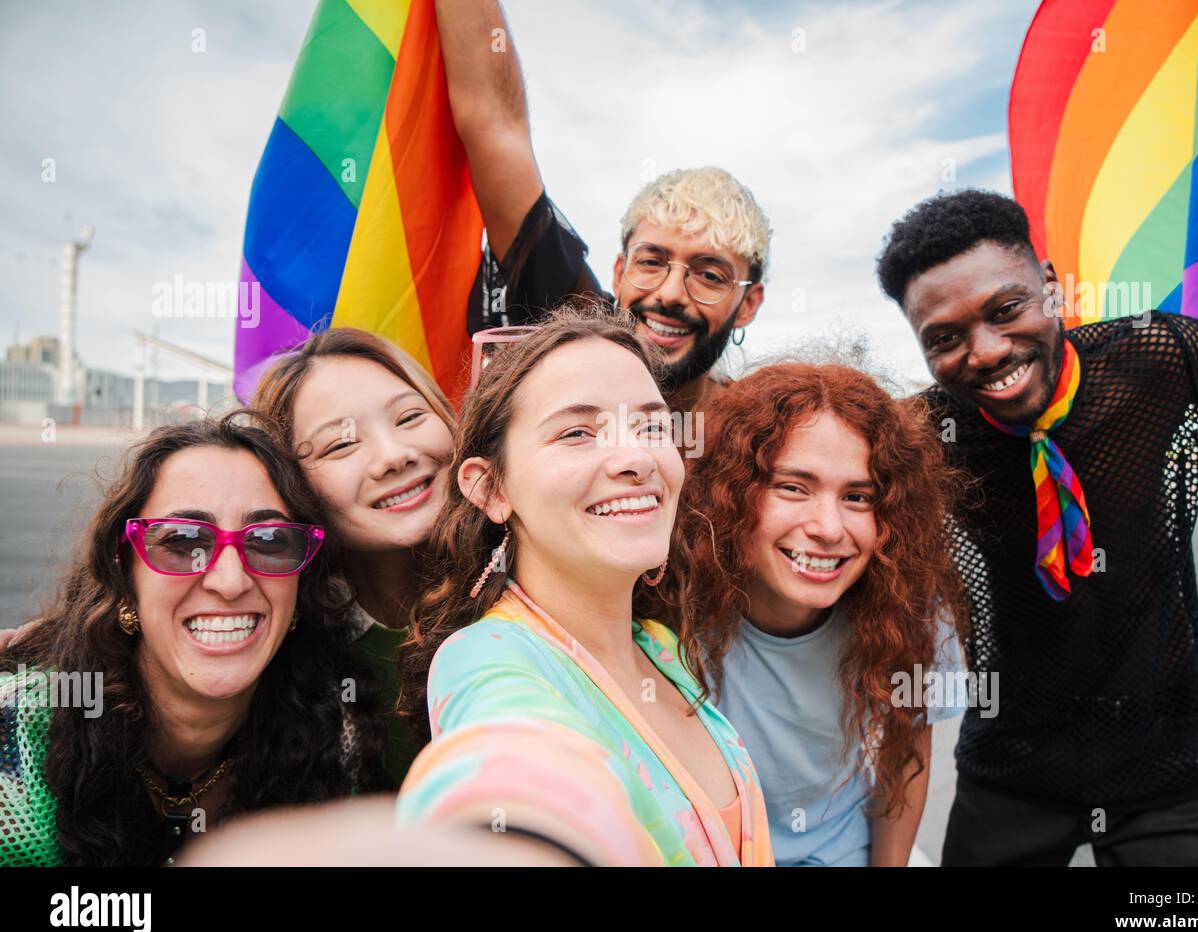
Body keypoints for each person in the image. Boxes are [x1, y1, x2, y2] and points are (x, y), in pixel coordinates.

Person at [876, 188, 1198, 865]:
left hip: (1169, 764)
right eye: (946, 339)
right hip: (1012, 769)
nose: (984, 352)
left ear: (1049, 286)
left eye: (1006, 309)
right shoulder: (928, 435)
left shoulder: (1158, 360)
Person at [396, 305, 773, 866]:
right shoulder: (484, 660)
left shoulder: (661, 645)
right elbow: (508, 778)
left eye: (651, 425)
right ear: (490, 488)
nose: (636, 458)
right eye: (576, 432)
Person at [0, 415, 388, 866]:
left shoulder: (337, 744)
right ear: (123, 575)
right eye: (183, 542)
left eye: (268, 540)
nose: (230, 581)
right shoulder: (17, 748)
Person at [654, 361, 968, 866]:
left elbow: (905, 759)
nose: (827, 527)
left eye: (858, 497)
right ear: (729, 493)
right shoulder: (670, 602)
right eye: (792, 487)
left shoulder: (912, 604)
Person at [436, 0, 770, 413]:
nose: (669, 294)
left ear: (749, 304)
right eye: (650, 262)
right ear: (620, 270)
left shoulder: (767, 438)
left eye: (709, 274)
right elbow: (495, 124)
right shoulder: (574, 324)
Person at [249, 327, 458, 786]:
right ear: (292, 487)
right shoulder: (268, 647)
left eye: (409, 418)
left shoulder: (532, 596)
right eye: (341, 444)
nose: (393, 456)